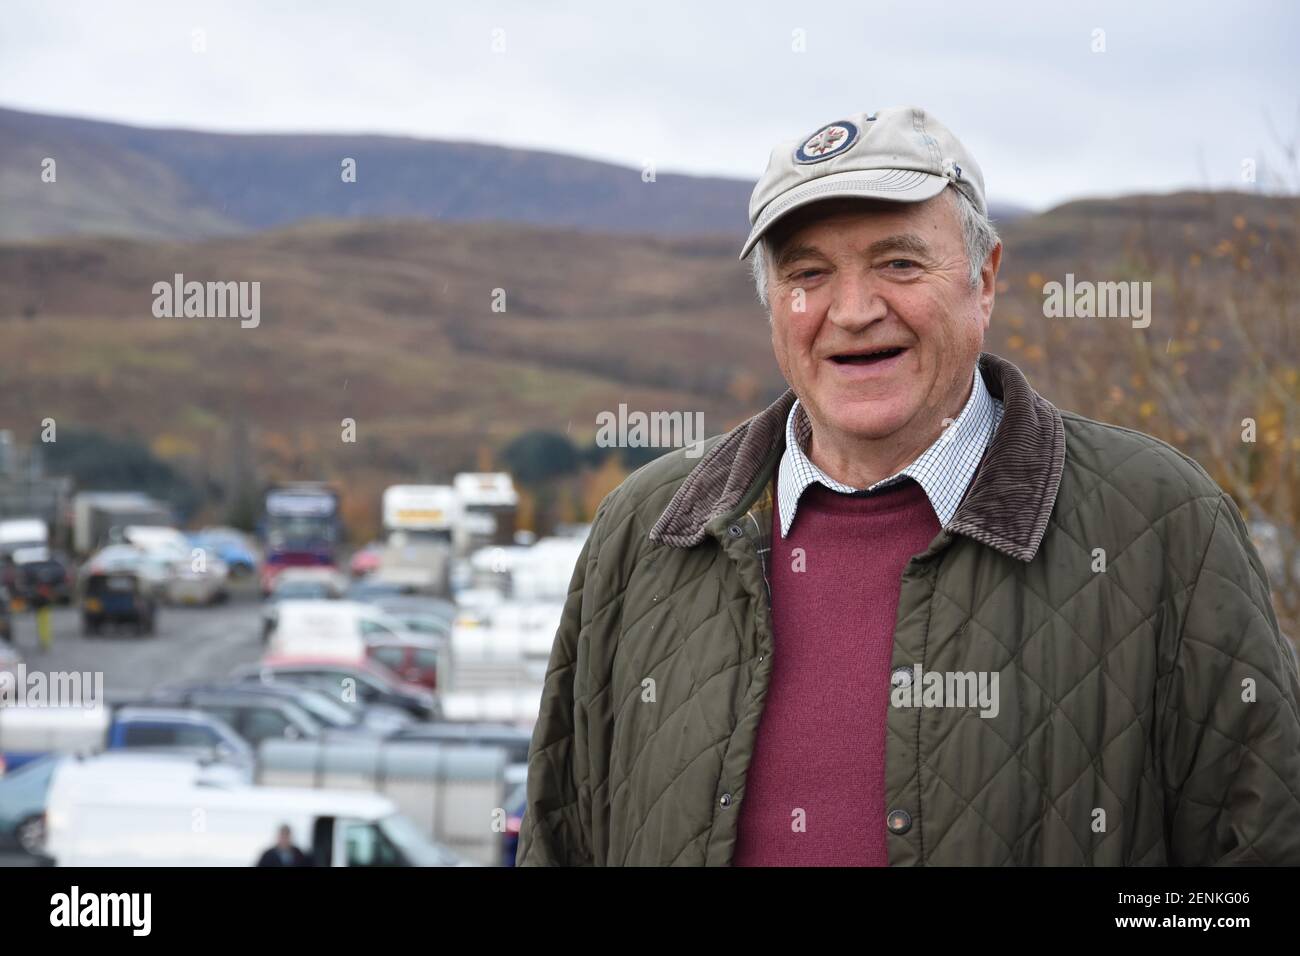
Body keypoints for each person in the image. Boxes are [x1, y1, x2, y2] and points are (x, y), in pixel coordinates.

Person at [517, 106, 1300, 866]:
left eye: (899, 262)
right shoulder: (646, 528)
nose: (853, 311)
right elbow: (561, 836)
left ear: (984, 281)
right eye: (809, 273)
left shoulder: (1160, 524)